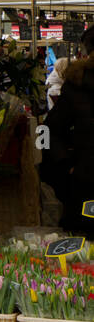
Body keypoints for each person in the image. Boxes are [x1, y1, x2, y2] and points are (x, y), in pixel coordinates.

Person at [43, 28, 94, 232]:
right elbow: (47, 132)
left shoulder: (75, 84)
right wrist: (66, 165)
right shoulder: (77, 85)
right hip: (86, 180)